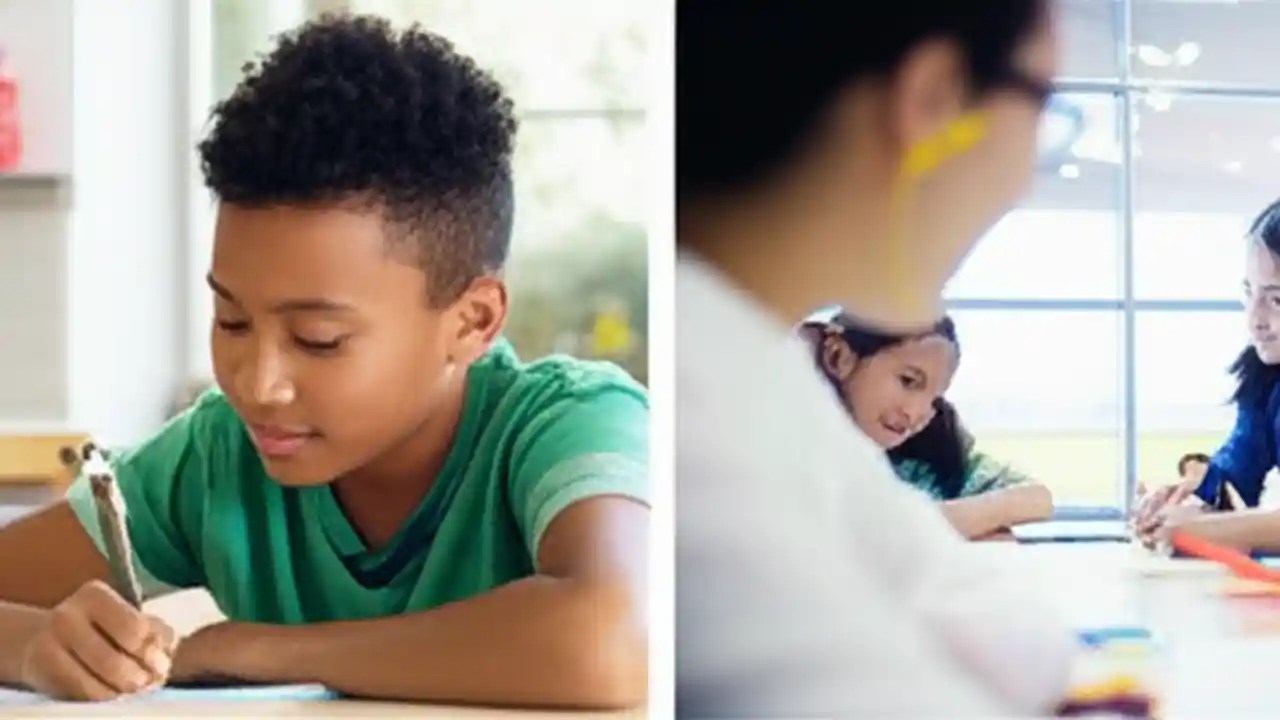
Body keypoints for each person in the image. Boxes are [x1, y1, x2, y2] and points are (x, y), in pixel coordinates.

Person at [0, 15, 647, 707]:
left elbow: (613, 642)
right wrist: (29, 647)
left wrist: (249, 648)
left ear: (473, 320)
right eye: (232, 320)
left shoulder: (568, 423)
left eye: (317, 339)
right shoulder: (219, 457)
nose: (257, 383)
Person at [677, 1, 1075, 716]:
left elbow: (1000, 627)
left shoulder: (758, 375)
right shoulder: (693, 411)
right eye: (1045, 104)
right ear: (935, 98)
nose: (1026, 180)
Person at [799, 311, 1053, 539]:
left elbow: (1036, 498)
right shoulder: (784, 443)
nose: (918, 413)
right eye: (908, 381)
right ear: (838, 356)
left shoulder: (919, 460)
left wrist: (928, 524)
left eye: (933, 399)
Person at [1135, 199, 1280, 551]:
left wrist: (1204, 532)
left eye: (1276, 300)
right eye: (1250, 293)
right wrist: (1185, 496)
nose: (1254, 319)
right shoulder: (1266, 381)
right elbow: (1238, 474)